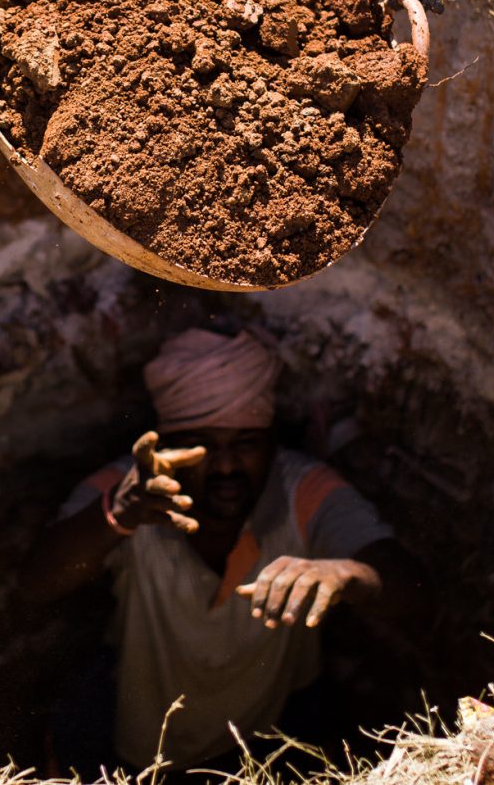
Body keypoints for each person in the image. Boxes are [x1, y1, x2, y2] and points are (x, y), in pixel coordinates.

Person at [21, 329, 415, 777]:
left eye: (246, 443)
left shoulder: (301, 491)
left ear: (272, 443)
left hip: (270, 725)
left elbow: (410, 589)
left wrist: (349, 574)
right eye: (203, 445)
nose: (226, 466)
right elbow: (37, 583)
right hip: (148, 734)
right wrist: (115, 514)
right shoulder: (135, 491)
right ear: (167, 446)